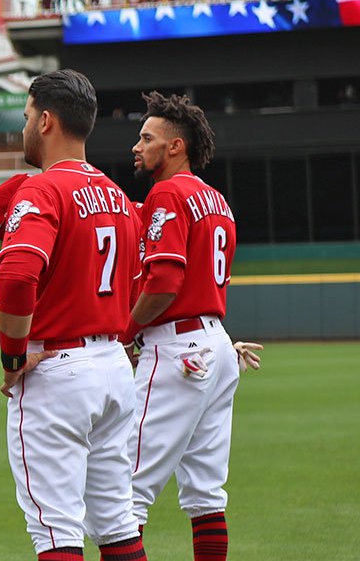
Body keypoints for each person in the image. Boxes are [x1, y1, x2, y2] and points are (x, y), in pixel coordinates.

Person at [0, 69, 147, 561]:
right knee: (117, 522)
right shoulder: (119, 197)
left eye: (27, 116)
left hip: (58, 371)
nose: (25, 127)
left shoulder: (42, 190)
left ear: (47, 121)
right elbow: (138, 284)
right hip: (113, 365)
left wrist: (13, 358)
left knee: (55, 530)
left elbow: (17, 275)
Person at [122, 92, 260, 560]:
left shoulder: (167, 193)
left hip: (177, 349)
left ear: (175, 146)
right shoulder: (216, 199)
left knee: (124, 492)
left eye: (147, 138)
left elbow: (164, 282)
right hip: (215, 345)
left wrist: (125, 334)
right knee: (206, 495)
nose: (137, 146)